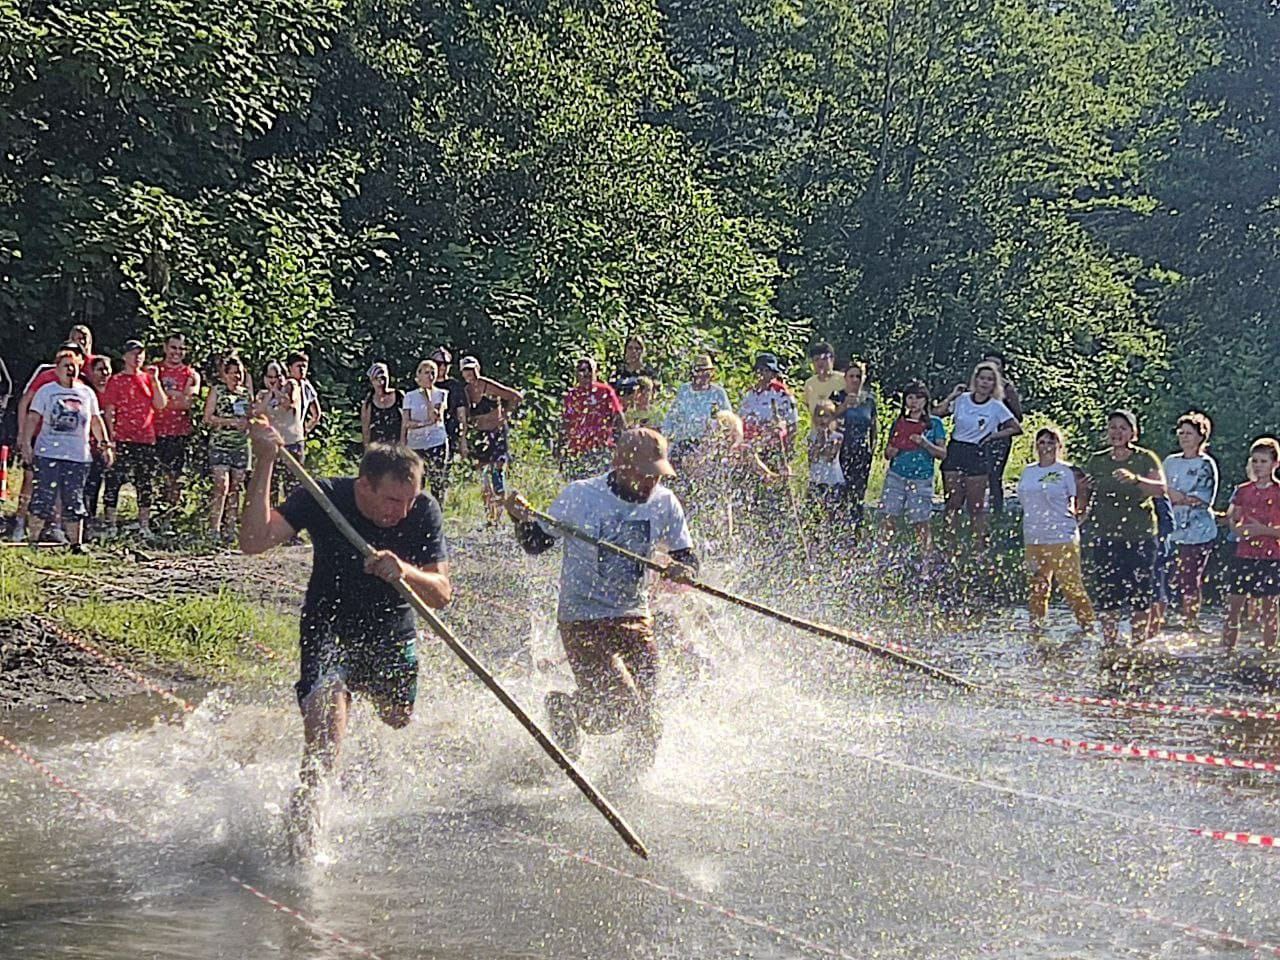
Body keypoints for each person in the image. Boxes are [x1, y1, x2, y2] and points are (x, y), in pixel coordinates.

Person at [239, 432, 450, 851]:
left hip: (390, 632)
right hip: (329, 630)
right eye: (392, 501)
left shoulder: (423, 510)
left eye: (409, 500)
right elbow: (253, 542)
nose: (401, 511)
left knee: (397, 717)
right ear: (363, 487)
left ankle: (360, 760)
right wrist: (264, 462)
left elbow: (442, 593)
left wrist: (404, 571)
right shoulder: (323, 496)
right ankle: (303, 846)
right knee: (324, 741)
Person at [505, 428, 697, 767]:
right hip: (583, 618)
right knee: (620, 707)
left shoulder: (665, 502)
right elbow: (536, 543)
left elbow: (687, 556)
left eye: (657, 474)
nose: (653, 482)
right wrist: (520, 518)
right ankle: (566, 707)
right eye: (646, 473)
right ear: (621, 465)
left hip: (634, 615)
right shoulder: (581, 496)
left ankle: (630, 782)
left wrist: (683, 569)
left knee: (649, 712)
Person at [1078, 410, 1167, 650]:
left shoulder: (1145, 458)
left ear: (1133, 433)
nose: (1117, 432)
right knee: (1108, 592)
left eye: (1123, 428)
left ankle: (1138, 645)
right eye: (1113, 427)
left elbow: (1160, 489)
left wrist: (1136, 480)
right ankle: (1109, 644)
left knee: (1140, 592)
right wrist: (1081, 493)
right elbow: (1086, 497)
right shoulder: (1097, 460)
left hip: (1140, 536)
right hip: (1106, 536)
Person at [18, 347, 113, 548]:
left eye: (74, 366)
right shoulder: (47, 391)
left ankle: (75, 544)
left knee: (74, 499)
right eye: (66, 366)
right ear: (57, 368)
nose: (70, 370)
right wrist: (26, 443)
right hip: (48, 453)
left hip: (78, 455)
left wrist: (105, 445)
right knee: (43, 497)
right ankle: (33, 540)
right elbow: (33, 417)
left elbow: (96, 420)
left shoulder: (87, 393)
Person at [936, 361, 1022, 550]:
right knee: (953, 502)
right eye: (982, 378)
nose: (984, 383)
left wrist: (993, 435)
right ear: (975, 380)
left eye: (989, 380)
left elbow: (1016, 428)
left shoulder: (996, 406)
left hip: (977, 451)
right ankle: (949, 544)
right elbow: (937, 414)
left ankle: (980, 545)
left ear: (994, 384)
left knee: (976, 505)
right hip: (957, 449)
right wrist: (952, 395)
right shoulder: (962, 399)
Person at [1017, 428, 1095, 635]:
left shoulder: (1067, 471)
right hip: (1033, 535)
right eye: (1041, 442)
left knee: (1071, 586)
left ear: (1059, 446)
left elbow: (1083, 500)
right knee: (1037, 586)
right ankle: (1036, 626)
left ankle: (1088, 625)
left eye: (1051, 443)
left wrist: (1078, 518)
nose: (1046, 447)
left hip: (1061, 536)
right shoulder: (1029, 471)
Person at [9, 340, 87, 542]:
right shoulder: (45, 375)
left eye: (77, 355)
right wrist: (22, 434)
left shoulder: (82, 383)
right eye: (68, 353)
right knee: (31, 481)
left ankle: (56, 526)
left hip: (70, 443)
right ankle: (20, 522)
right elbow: (26, 402)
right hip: (40, 433)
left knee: (64, 487)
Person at [101, 340, 168, 539]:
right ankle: (111, 525)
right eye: (132, 354)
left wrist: (155, 381)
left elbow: (160, 404)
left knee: (144, 482)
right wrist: (110, 438)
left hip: (145, 438)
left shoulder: (149, 379)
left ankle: (143, 525)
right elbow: (109, 410)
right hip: (122, 437)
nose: (137, 357)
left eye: (140, 353)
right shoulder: (116, 380)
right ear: (124, 357)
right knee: (114, 481)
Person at [1222, 439, 1280, 651]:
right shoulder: (1243, 490)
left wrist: (1264, 530)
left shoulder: (1279, 492)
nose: (1258, 466)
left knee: (1269, 610)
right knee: (1234, 607)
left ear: (1275, 464)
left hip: (1272, 556)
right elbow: (1234, 520)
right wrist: (1239, 529)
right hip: (1244, 554)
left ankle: (1268, 652)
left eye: (1263, 461)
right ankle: (1226, 651)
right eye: (1255, 461)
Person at [1163, 412, 1219, 631]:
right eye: (1182, 433)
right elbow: (1162, 490)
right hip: (1172, 529)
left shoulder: (1206, 464)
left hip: (1198, 530)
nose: (1184, 437)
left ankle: (1190, 620)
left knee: (1190, 576)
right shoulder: (1170, 461)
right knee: (1166, 575)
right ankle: (1163, 617)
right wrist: (1174, 496)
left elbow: (1202, 499)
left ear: (1200, 437)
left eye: (1189, 433)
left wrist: (1177, 496)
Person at [880, 381, 947, 555]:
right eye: (910, 397)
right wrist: (892, 450)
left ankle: (926, 561)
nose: (914, 402)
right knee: (888, 517)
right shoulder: (899, 422)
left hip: (921, 478)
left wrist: (925, 443)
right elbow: (887, 453)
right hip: (896, 476)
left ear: (926, 401)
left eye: (918, 398)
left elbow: (942, 453)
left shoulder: (934, 424)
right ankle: (881, 557)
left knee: (921, 521)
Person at [460, 356, 523, 522]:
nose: (470, 373)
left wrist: (506, 414)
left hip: (497, 433)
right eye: (466, 370)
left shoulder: (487, 385)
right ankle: (491, 516)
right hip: (481, 436)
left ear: (478, 369)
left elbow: (515, 396)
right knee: (484, 477)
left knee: (497, 472)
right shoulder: (466, 392)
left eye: (472, 369)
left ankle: (501, 514)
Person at [152, 332, 201, 523]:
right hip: (154, 431)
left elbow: (188, 402)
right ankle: (154, 516)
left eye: (181, 349)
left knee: (175, 477)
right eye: (173, 347)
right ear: (165, 347)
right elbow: (150, 400)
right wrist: (174, 395)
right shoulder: (154, 370)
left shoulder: (190, 374)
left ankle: (171, 515)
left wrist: (163, 396)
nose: (177, 352)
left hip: (179, 432)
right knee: (155, 478)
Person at [203, 354, 251, 541]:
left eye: (238, 373)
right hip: (220, 444)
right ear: (225, 375)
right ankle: (213, 528)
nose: (236, 376)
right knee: (221, 485)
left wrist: (248, 422)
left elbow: (251, 416)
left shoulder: (245, 394)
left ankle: (230, 528)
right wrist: (229, 422)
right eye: (232, 373)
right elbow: (208, 418)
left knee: (235, 487)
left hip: (240, 445)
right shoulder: (217, 391)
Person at [560, 357, 625, 480]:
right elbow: (566, 422)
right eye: (582, 370)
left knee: (601, 484)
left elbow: (618, 416)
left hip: (601, 447)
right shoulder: (572, 395)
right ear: (576, 374)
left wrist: (622, 441)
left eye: (590, 369)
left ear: (596, 372)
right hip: (578, 450)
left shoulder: (604, 391)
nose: (586, 373)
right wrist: (560, 446)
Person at [662, 354, 731, 466]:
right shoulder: (684, 390)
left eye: (707, 372)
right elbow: (672, 416)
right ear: (693, 373)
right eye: (700, 371)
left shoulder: (718, 393)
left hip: (707, 444)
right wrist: (665, 436)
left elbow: (728, 418)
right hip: (684, 442)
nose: (704, 376)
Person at [833, 360, 877, 525]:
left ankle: (856, 530)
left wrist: (872, 449)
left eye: (858, 376)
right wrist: (844, 406)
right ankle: (837, 529)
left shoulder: (869, 401)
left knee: (858, 494)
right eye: (851, 376)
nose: (855, 380)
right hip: (840, 451)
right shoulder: (837, 396)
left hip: (862, 452)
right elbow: (827, 419)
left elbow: (873, 427)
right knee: (840, 492)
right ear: (845, 378)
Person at [401, 359, 450, 504]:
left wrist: (427, 397)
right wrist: (423, 424)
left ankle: (437, 510)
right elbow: (407, 423)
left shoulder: (441, 393)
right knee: (417, 481)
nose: (430, 376)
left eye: (433, 373)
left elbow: (436, 416)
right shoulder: (409, 396)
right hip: (416, 444)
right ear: (419, 375)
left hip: (436, 442)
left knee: (437, 480)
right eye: (426, 373)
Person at [981, 351, 1023, 514]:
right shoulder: (976, 386)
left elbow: (1018, 416)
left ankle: (997, 512)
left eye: (995, 364)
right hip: (976, 436)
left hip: (999, 439)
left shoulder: (1006, 388)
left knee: (994, 476)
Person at [257, 360, 304, 503]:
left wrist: (277, 391)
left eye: (276, 376)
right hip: (272, 446)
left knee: (294, 488)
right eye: (269, 377)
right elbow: (258, 411)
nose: (273, 380)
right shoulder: (262, 394)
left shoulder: (292, 386)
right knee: (272, 487)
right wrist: (270, 393)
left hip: (292, 443)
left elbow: (289, 404)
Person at [430, 347, 469, 467]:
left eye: (446, 364)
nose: (442, 367)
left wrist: (463, 441)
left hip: (449, 432)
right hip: (427, 433)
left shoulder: (455, 386)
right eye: (439, 363)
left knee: (444, 470)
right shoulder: (426, 385)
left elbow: (461, 415)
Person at [807, 401, 844, 521]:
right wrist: (819, 440)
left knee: (832, 513)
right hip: (816, 479)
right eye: (820, 415)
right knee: (813, 514)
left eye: (826, 416)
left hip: (832, 480)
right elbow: (813, 457)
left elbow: (830, 457)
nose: (823, 420)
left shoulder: (837, 437)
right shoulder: (811, 436)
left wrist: (825, 439)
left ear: (832, 419)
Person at [360, 362, 403, 449]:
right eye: (377, 378)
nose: (381, 382)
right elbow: (366, 430)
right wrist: (367, 450)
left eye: (383, 377)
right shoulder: (369, 403)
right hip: (378, 448)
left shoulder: (399, 396)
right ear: (372, 380)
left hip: (397, 445)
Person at [610, 335, 660, 409]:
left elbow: (654, 396)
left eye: (637, 349)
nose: (633, 351)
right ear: (625, 350)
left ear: (642, 351)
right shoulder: (618, 371)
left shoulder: (649, 372)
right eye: (630, 348)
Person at [286, 351, 322, 451]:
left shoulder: (306, 387)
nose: (302, 369)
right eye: (298, 366)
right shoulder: (284, 386)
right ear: (290, 368)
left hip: (297, 437)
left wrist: (306, 429)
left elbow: (316, 414)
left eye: (304, 366)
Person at [802, 341, 844, 414]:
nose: (820, 362)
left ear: (832, 360)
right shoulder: (809, 384)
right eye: (816, 359)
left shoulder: (843, 379)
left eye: (824, 359)